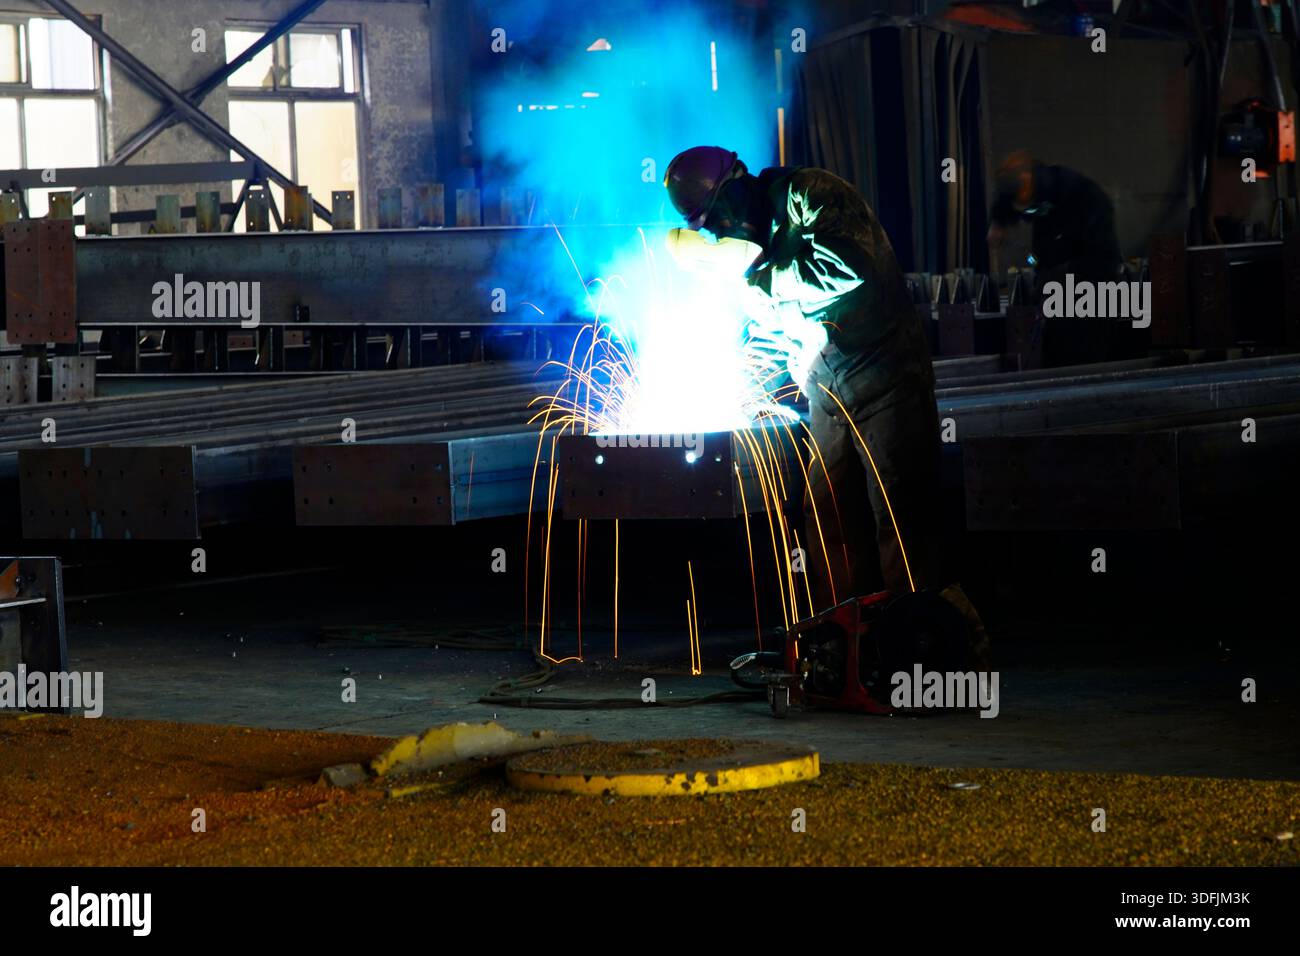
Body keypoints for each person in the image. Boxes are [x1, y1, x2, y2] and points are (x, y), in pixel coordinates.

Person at [662, 146, 987, 664]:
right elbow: (769, 334)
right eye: (707, 226)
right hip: (826, 391)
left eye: (718, 214)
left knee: (900, 522)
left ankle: (930, 647)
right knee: (827, 518)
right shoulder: (745, 252)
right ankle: (849, 645)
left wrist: (760, 272)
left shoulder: (809, 195)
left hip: (884, 373)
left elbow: (846, 267)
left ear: (738, 184)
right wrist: (741, 383)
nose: (718, 230)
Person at [987, 151, 1130, 365]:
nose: (1028, 216)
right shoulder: (1029, 190)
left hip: (1092, 275)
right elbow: (1006, 200)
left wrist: (1059, 276)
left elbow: (1096, 259)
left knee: (1087, 338)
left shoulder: (1082, 197)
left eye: (1031, 209)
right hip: (1059, 267)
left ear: (1028, 181)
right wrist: (998, 223)